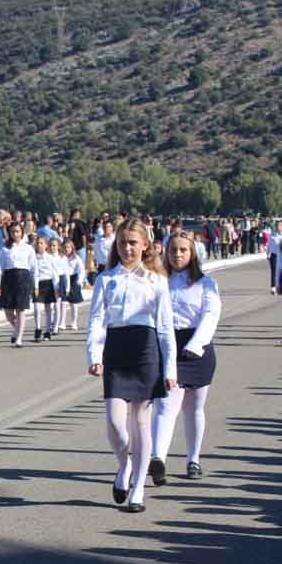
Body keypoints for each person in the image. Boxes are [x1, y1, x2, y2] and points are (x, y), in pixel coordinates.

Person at [86, 219, 177, 514]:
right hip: (116, 349)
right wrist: (94, 356)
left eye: (133, 243)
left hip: (146, 349)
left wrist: (170, 369)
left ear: (145, 245)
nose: (127, 248)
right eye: (123, 243)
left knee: (140, 421)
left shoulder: (156, 280)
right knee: (115, 422)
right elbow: (97, 321)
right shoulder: (106, 279)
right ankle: (123, 463)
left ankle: (138, 487)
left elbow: (165, 328)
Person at [150, 232, 220, 486]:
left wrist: (196, 345)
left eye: (183, 250)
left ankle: (193, 459)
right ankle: (157, 459)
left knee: (193, 408)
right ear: (166, 253)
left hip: (198, 349)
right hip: (168, 346)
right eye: (173, 250)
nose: (178, 254)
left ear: (192, 254)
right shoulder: (158, 281)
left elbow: (211, 315)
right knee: (166, 405)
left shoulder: (206, 283)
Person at [0, 222, 36, 347]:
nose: (15, 234)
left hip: (23, 278)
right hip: (8, 279)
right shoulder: (5, 248)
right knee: (8, 310)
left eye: (17, 231)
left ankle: (19, 338)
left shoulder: (28, 248)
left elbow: (34, 268)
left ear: (22, 232)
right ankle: (17, 328)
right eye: (13, 232)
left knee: (20, 309)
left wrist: (36, 285)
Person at [30, 236, 59, 342]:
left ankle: (47, 331)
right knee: (37, 308)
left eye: (41, 243)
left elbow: (55, 273)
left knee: (48, 309)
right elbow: (34, 273)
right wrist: (35, 286)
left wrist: (56, 287)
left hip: (48, 283)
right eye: (38, 243)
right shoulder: (34, 258)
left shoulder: (50, 258)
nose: (39, 245)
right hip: (38, 284)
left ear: (46, 245)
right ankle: (38, 329)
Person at [61, 238, 86, 330]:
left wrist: (79, 280)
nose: (67, 249)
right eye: (65, 247)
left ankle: (74, 322)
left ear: (72, 248)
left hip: (74, 279)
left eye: (69, 247)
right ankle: (62, 322)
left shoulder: (76, 258)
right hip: (64, 279)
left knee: (73, 303)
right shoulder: (61, 258)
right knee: (63, 302)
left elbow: (81, 270)